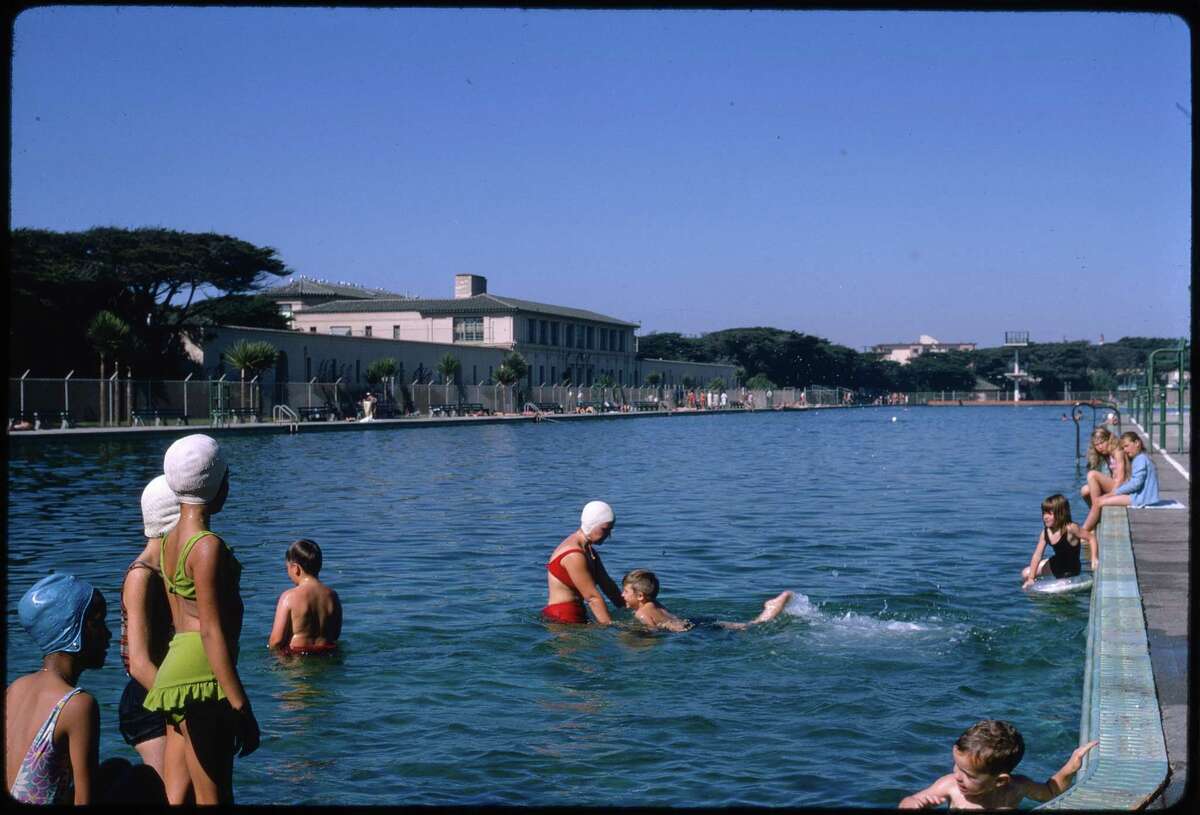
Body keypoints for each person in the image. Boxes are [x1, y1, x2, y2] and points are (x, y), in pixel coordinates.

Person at [144, 434, 259, 804]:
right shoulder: (206, 546)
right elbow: (211, 630)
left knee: (195, 790)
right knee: (217, 794)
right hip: (204, 674)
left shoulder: (168, 542)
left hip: (178, 668)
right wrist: (241, 704)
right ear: (218, 485)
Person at [6, 574, 112, 804]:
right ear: (72, 631)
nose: (108, 633)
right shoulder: (77, 705)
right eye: (97, 622)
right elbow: (86, 799)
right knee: (140, 779)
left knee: (115, 769)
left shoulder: (15, 688)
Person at [118, 476, 189, 799]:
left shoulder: (170, 570)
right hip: (150, 696)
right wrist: (184, 713)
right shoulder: (142, 576)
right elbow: (139, 664)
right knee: (169, 795)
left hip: (169, 692)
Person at [898, 719, 1098, 809]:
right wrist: (912, 804)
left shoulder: (1017, 787)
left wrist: (1070, 768)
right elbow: (910, 800)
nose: (957, 775)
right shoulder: (950, 786)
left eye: (969, 775)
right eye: (957, 766)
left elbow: (1050, 792)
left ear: (1000, 781)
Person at [621, 569, 793, 632]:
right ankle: (769, 610)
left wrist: (628, 630)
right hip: (693, 622)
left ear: (640, 596)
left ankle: (768, 613)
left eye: (625, 591)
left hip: (689, 631)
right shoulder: (655, 604)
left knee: (747, 628)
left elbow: (652, 632)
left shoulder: (641, 614)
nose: (621, 595)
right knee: (736, 626)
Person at [543, 500, 625, 624]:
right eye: (605, 529)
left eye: (610, 530)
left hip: (576, 613)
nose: (609, 535)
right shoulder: (574, 554)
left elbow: (607, 585)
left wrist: (631, 608)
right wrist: (611, 626)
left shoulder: (588, 550)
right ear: (591, 524)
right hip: (562, 617)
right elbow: (592, 597)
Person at [1078, 432, 1161, 549]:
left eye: (1126, 446)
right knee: (1094, 497)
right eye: (1123, 447)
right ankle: (1088, 529)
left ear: (1137, 443)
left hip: (1140, 498)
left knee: (1098, 501)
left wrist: (1114, 493)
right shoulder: (1140, 458)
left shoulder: (1140, 459)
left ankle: (1083, 533)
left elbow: (1135, 484)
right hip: (1139, 496)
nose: (1125, 450)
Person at [269, 539, 342, 656]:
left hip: (297, 657)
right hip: (326, 655)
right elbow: (335, 634)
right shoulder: (333, 596)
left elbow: (276, 641)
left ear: (295, 568)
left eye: (287, 568)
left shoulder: (289, 597)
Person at [1021, 494, 1094, 589]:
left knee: (1060, 589)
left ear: (1061, 514)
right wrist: (1031, 578)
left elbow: (1091, 538)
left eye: (1049, 513)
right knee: (1025, 573)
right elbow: (1037, 555)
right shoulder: (1045, 533)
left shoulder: (1071, 528)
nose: (1045, 517)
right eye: (1044, 513)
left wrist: (1094, 559)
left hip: (1070, 570)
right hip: (1055, 565)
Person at [1080, 428, 1127, 508]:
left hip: (1122, 486)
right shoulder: (1106, 454)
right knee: (1085, 490)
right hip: (1114, 484)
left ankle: (1096, 507)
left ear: (1109, 439)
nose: (1100, 447)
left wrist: (1111, 494)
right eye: (1096, 445)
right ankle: (1097, 510)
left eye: (1102, 442)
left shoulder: (1118, 452)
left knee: (1092, 474)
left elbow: (1121, 479)